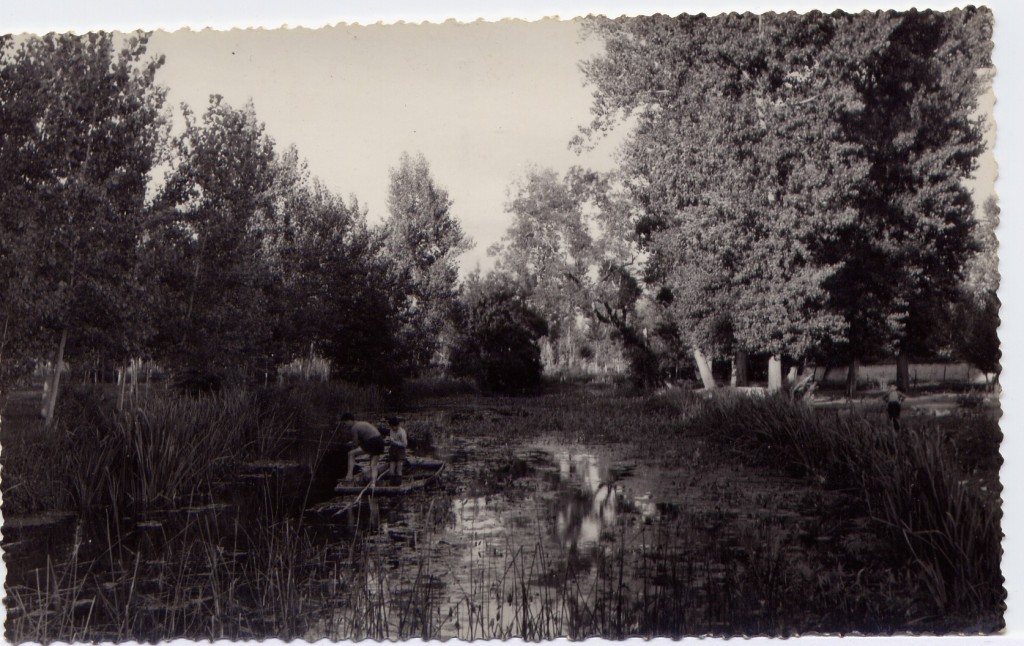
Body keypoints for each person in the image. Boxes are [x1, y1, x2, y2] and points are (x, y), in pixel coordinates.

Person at [339, 412, 386, 485]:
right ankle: (373, 483)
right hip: (380, 441)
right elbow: (363, 438)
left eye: (345, 423)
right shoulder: (361, 423)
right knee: (373, 465)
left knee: (351, 454)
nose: (345, 425)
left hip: (372, 442)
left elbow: (355, 444)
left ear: (349, 421)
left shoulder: (354, 428)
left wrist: (351, 445)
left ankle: (349, 476)